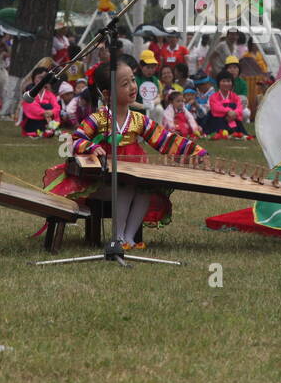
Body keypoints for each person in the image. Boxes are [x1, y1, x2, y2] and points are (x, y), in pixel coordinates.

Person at [43, 61, 207, 249]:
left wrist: (195, 152)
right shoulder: (99, 118)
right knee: (126, 187)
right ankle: (118, 236)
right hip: (102, 181)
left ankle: (129, 237)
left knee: (144, 189)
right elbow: (76, 139)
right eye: (125, 84)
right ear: (107, 94)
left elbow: (165, 139)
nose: (133, 87)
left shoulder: (139, 120)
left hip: (132, 174)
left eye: (132, 80)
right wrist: (90, 147)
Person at [202, 72, 250, 138]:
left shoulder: (235, 96)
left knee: (233, 106)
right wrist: (228, 111)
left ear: (232, 83)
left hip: (232, 118)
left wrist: (234, 113)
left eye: (228, 81)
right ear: (219, 83)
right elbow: (215, 108)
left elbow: (239, 107)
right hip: (218, 121)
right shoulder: (213, 97)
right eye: (223, 81)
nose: (226, 84)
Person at [19, 67, 60, 137]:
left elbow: (57, 106)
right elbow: (30, 106)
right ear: (34, 79)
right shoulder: (29, 93)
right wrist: (43, 112)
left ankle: (48, 129)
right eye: (39, 77)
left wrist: (52, 112)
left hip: (46, 119)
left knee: (49, 106)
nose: (42, 80)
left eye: (44, 78)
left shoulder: (50, 94)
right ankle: (42, 130)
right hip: (33, 120)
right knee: (45, 106)